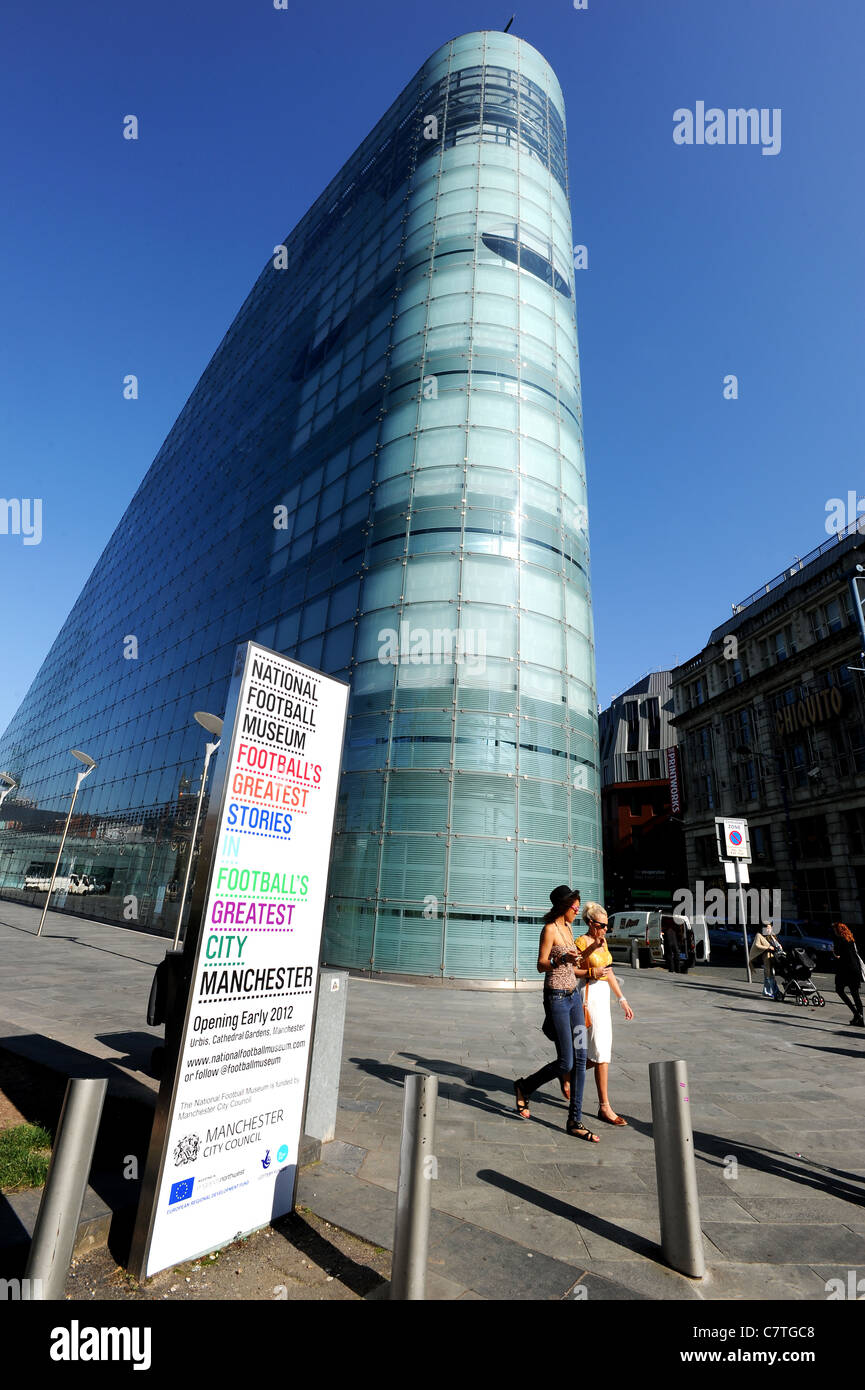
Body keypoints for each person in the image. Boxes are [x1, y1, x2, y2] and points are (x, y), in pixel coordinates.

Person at [513, 885, 600, 1142]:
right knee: (566, 1062)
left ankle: (575, 1120)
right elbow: (541, 965)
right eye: (575, 907)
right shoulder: (550, 929)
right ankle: (524, 1086)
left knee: (581, 1058)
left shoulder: (569, 928)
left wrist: (593, 947)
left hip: (573, 998)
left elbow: (575, 961)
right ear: (565, 906)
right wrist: (559, 961)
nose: (578, 911)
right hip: (557, 999)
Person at [574, 902, 634, 1126]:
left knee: (600, 1050)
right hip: (587, 994)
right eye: (601, 925)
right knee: (599, 1049)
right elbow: (574, 968)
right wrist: (592, 960)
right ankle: (604, 1106)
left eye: (607, 926)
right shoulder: (581, 942)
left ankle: (567, 1072)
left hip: (602, 996)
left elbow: (608, 972)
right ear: (590, 923)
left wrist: (622, 999)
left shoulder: (604, 940)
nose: (605, 930)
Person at [832, 922, 863, 1025]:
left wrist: (834, 953)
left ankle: (856, 1014)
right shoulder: (851, 939)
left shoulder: (839, 940)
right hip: (855, 969)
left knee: (839, 990)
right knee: (855, 995)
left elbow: (839, 955)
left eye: (835, 930)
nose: (834, 932)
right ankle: (860, 1019)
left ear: (838, 931)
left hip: (845, 970)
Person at [749, 922, 783, 998]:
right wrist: (768, 947)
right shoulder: (759, 935)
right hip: (765, 957)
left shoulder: (772, 935)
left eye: (770, 927)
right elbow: (757, 945)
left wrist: (779, 946)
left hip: (772, 956)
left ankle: (767, 991)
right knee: (769, 974)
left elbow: (776, 944)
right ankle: (772, 991)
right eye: (767, 928)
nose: (768, 929)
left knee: (769, 974)